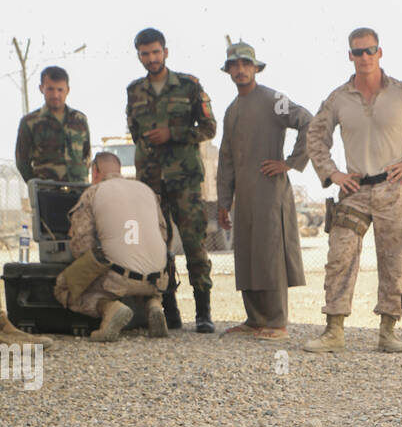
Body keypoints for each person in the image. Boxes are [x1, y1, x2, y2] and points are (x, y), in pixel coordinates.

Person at [304, 27, 402, 354]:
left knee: (394, 259)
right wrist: (333, 173)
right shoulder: (338, 99)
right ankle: (334, 330)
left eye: (370, 50)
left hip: (392, 189)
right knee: (339, 256)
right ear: (350, 56)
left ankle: (388, 331)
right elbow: (316, 136)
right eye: (358, 52)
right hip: (354, 191)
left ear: (380, 53)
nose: (364, 57)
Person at [216, 41, 312, 341]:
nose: (240, 70)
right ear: (228, 70)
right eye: (234, 65)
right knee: (247, 253)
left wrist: (291, 163)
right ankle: (255, 319)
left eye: (246, 64)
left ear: (256, 68)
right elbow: (226, 158)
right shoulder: (232, 110)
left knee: (270, 254)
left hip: (270, 191)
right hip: (243, 196)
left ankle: (276, 322)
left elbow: (308, 121)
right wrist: (224, 201)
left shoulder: (273, 99)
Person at [126, 27, 217, 332]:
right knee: (158, 248)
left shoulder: (189, 86)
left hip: (185, 181)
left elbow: (209, 128)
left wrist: (173, 134)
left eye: (156, 52)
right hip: (151, 184)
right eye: (145, 54)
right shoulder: (134, 91)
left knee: (194, 245)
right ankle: (170, 311)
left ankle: (203, 313)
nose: (151, 58)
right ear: (139, 56)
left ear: (165, 52)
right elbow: (136, 133)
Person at [53, 151, 169, 342]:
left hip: (120, 279)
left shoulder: (93, 193)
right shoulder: (146, 190)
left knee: (65, 287)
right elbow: (163, 235)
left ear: (95, 171)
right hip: (156, 279)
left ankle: (109, 308)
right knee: (140, 268)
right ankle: (154, 305)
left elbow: (82, 247)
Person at [15, 66, 91, 186]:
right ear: (41, 88)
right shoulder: (30, 122)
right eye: (50, 89)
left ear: (67, 90)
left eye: (60, 90)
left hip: (78, 188)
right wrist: (37, 185)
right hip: (47, 190)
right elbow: (22, 162)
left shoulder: (80, 119)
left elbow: (86, 153)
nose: (55, 95)